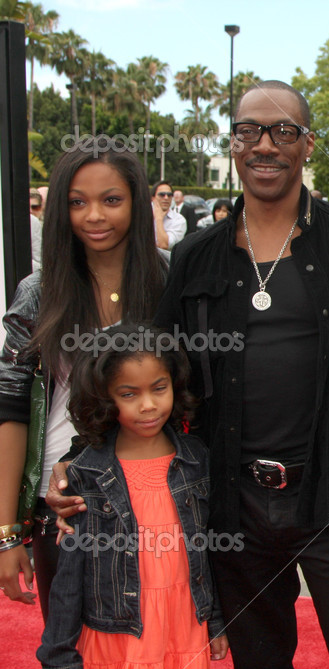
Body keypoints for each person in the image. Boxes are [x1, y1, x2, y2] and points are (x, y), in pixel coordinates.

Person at [132, 80, 329, 669]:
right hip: (234, 501)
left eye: (283, 131)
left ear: (307, 145)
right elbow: (162, 376)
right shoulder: (196, 257)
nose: (265, 144)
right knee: (259, 668)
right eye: (249, 131)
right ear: (233, 144)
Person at [0, 139, 167, 618]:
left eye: (111, 199)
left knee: (152, 648)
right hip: (64, 502)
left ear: (136, 202)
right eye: (77, 202)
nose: (94, 215)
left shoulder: (169, 282)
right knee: (71, 653)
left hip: (154, 493)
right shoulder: (39, 293)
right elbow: (11, 407)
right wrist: (8, 533)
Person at [37, 325, 228, 669]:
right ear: (106, 399)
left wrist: (214, 619)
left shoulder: (196, 459)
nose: (149, 405)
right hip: (118, 633)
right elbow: (68, 579)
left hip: (183, 623)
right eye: (129, 394)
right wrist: (59, 657)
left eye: (159, 388)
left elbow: (205, 551)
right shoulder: (87, 474)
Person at [151, 180, 186, 250]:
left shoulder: (179, 220)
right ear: (153, 198)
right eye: (162, 195)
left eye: (169, 195)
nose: (166, 198)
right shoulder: (141, 215)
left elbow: (164, 245)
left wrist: (159, 219)